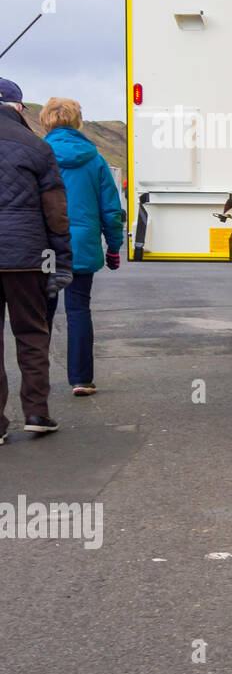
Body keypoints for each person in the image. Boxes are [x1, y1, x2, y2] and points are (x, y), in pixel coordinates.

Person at [0, 77, 72, 442]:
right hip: (28, 258)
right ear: (18, 108)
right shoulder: (37, 147)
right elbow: (56, 212)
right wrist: (62, 262)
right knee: (30, 332)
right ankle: (36, 412)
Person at [40, 97, 124, 396]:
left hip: (43, 246)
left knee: (42, 314)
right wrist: (114, 247)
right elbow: (111, 210)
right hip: (81, 245)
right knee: (78, 309)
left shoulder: (36, 154)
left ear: (45, 120)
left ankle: (37, 382)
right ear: (77, 121)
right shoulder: (95, 159)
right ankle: (81, 379)